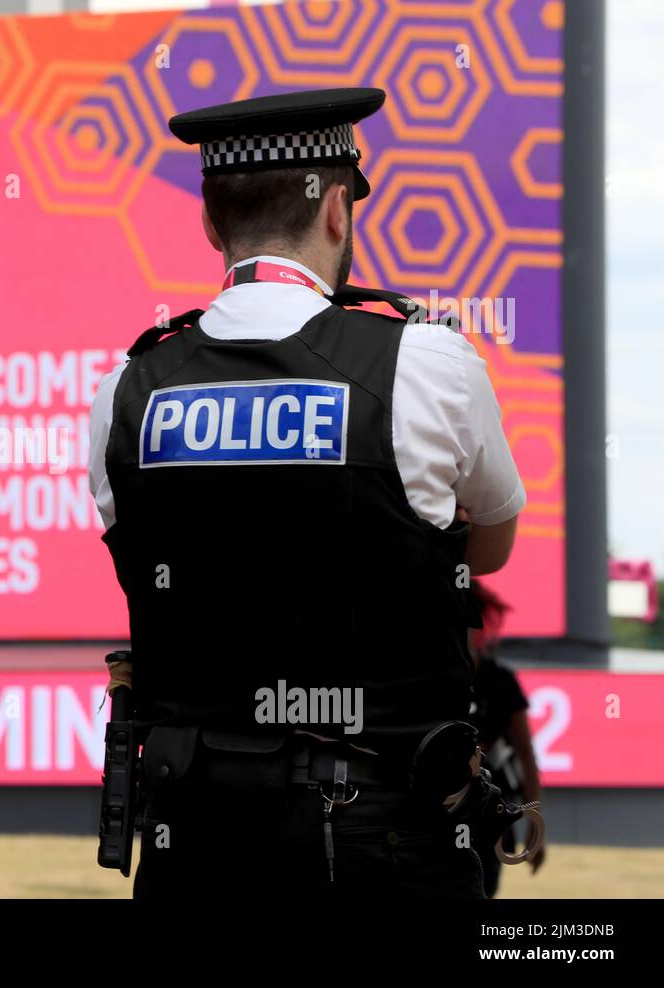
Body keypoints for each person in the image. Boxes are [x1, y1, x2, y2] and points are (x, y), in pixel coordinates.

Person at [89, 88, 527, 899]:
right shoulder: (428, 363)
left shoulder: (126, 389)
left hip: (196, 839)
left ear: (211, 225)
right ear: (335, 208)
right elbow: (491, 545)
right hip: (381, 837)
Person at [467, 582, 546, 896]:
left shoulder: (500, 681)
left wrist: (535, 825)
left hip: (490, 815)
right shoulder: (420, 679)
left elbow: (526, 756)